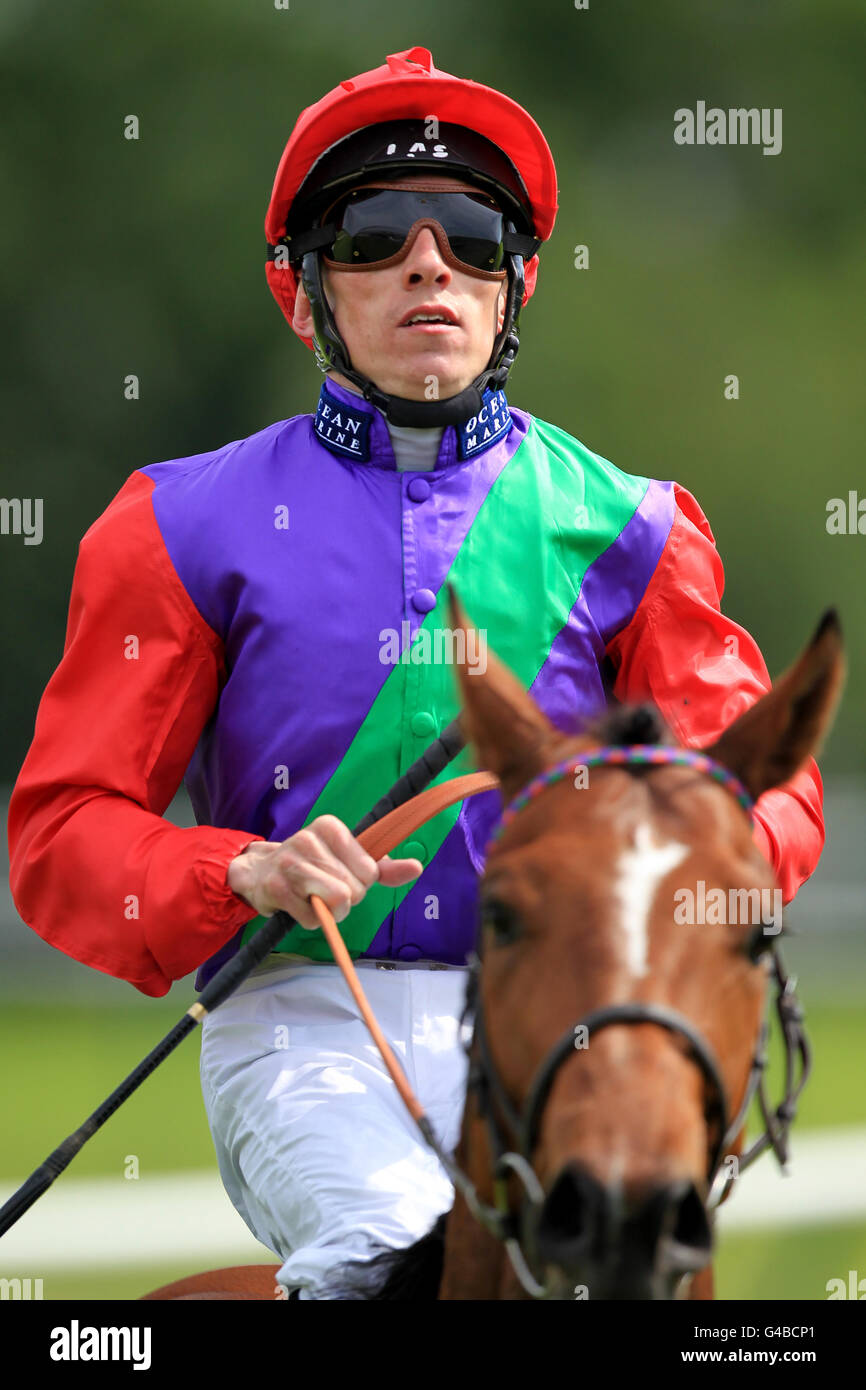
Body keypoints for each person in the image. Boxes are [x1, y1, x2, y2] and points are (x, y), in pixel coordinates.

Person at [7, 46, 825, 1300]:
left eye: (471, 237)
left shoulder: (637, 528)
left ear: (516, 285)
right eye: (374, 233)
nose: (428, 263)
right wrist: (239, 868)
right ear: (301, 294)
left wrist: (664, 871)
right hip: (306, 1021)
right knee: (383, 1265)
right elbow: (62, 839)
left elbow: (772, 797)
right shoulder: (176, 524)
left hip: (572, 1018)